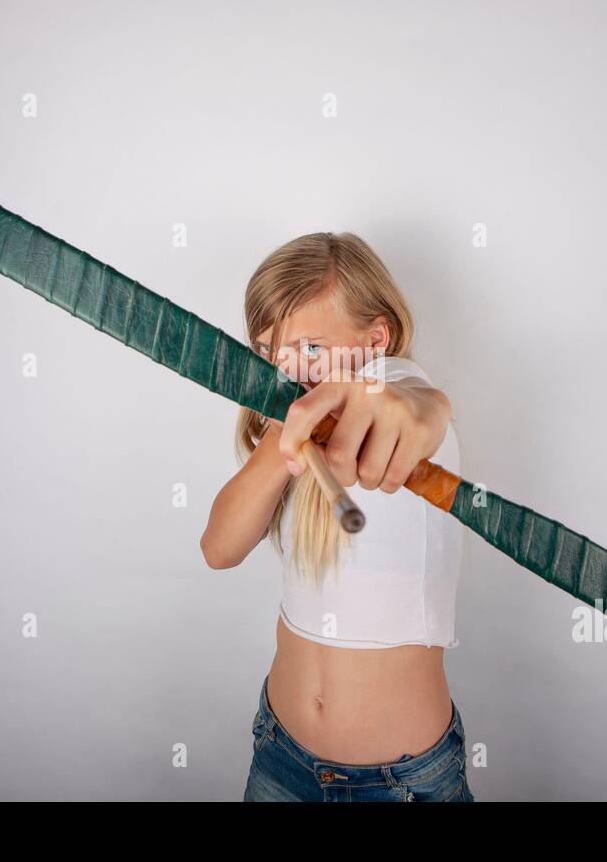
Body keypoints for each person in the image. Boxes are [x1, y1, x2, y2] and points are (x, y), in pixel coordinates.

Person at [200, 231, 474, 802]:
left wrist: (433, 408)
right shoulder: (292, 434)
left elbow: (413, 407)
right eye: (275, 351)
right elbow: (218, 550)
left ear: (377, 337)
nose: (290, 367)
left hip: (400, 783)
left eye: (314, 348)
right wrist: (281, 440)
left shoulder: (396, 400)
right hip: (279, 753)